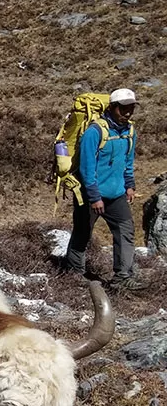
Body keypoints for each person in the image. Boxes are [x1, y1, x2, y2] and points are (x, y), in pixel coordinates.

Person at [64, 87, 144, 290]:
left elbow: (128, 161)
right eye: (123, 108)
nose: (127, 113)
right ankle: (74, 275)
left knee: (126, 232)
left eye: (131, 108)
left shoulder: (130, 131)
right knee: (83, 232)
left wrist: (130, 185)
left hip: (116, 194)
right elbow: (86, 168)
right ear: (112, 107)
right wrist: (94, 196)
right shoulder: (94, 132)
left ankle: (122, 277)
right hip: (90, 195)